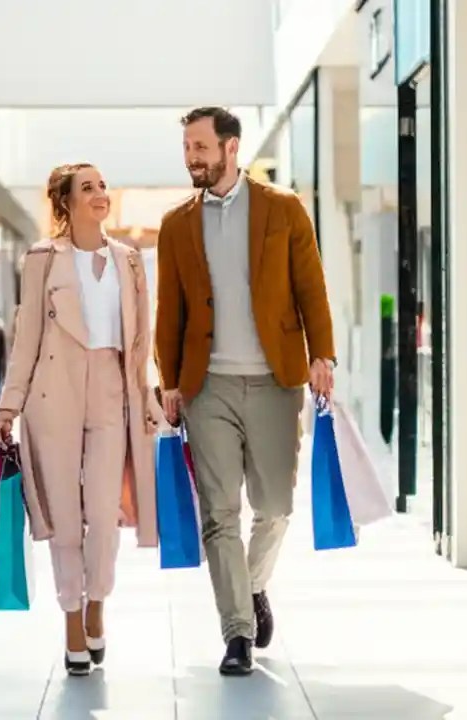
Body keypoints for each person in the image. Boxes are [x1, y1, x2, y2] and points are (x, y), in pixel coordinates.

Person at [154, 107, 336, 676]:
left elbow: (311, 285)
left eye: (200, 146)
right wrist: (169, 382)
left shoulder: (283, 210)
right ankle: (236, 631)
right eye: (187, 146)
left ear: (231, 148)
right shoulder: (176, 223)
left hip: (276, 379)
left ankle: (252, 587)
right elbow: (171, 312)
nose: (191, 157)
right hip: (207, 385)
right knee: (219, 513)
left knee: (276, 506)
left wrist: (321, 354)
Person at [0, 162, 163, 677]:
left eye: (103, 185)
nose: (100, 193)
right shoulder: (43, 259)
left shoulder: (129, 260)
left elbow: (140, 342)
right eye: (87, 187)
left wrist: (151, 397)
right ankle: (71, 619)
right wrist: (9, 403)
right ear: (65, 202)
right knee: (65, 517)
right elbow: (26, 339)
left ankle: (97, 606)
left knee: (105, 515)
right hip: (53, 395)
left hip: (113, 390)